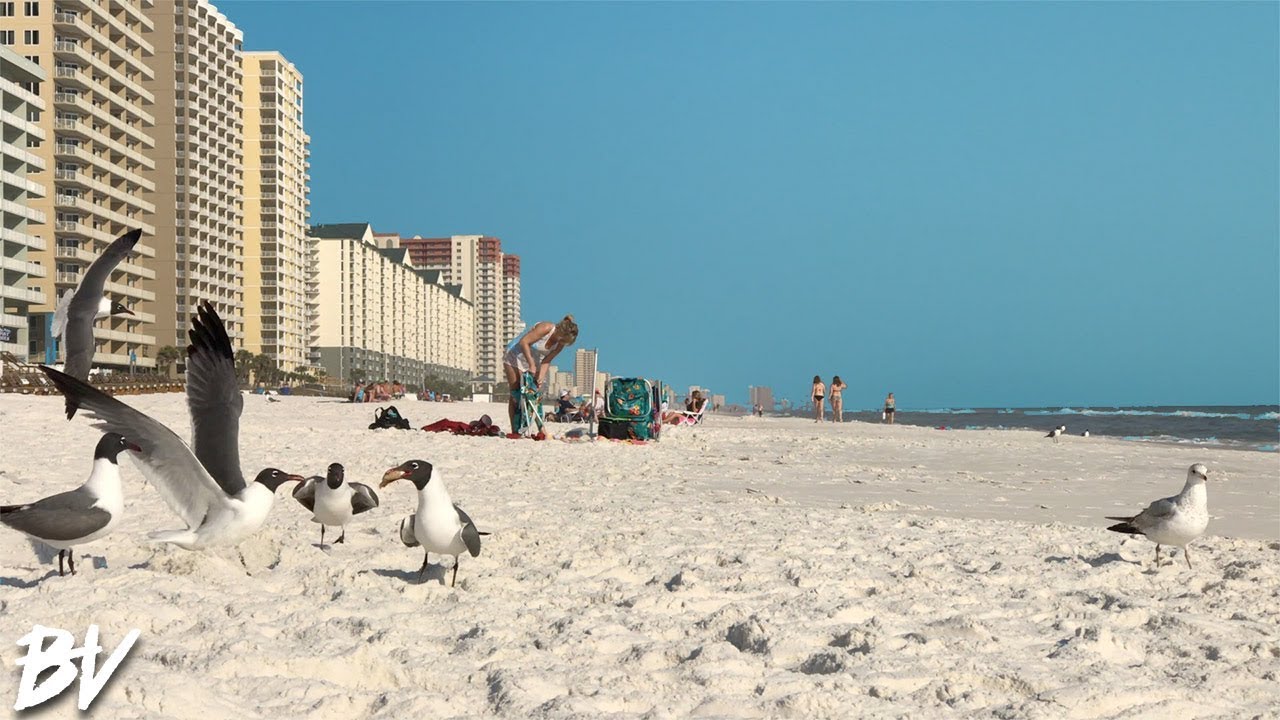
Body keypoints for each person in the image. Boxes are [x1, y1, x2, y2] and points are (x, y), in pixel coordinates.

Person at [503, 315, 579, 430]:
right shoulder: (546, 328)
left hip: (534, 361)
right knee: (516, 393)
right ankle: (515, 429)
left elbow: (547, 360)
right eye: (562, 339)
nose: (562, 343)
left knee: (534, 393)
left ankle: (537, 427)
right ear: (560, 332)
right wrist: (531, 364)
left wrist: (541, 377)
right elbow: (524, 342)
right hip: (515, 355)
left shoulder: (560, 344)